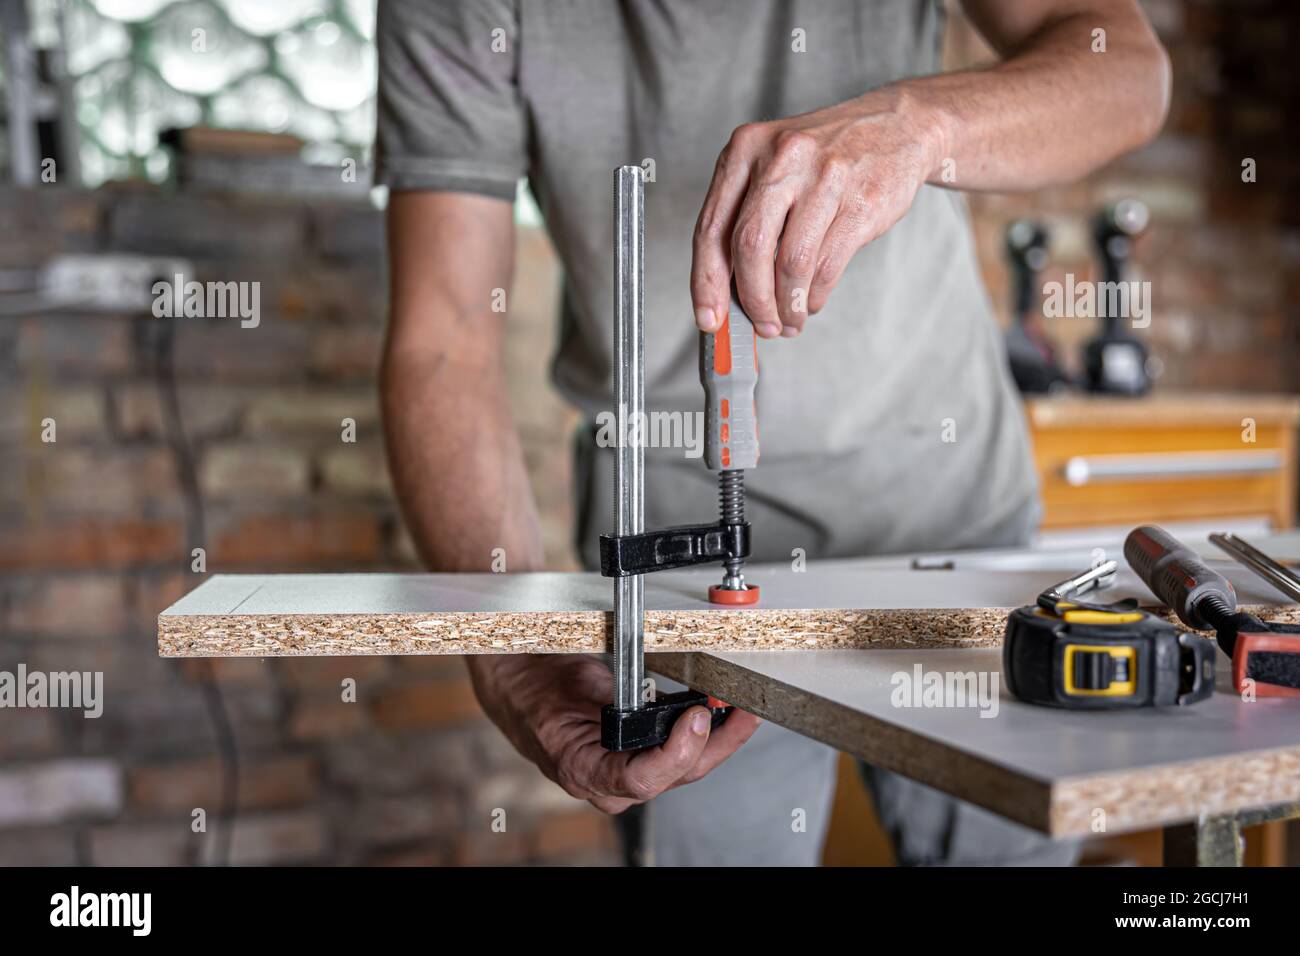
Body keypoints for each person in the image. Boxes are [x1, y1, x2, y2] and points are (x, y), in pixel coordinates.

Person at [375, 0, 1169, 865]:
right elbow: (442, 340)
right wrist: (510, 649)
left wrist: (921, 124)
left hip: (950, 529)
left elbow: (1128, 69)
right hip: (682, 601)